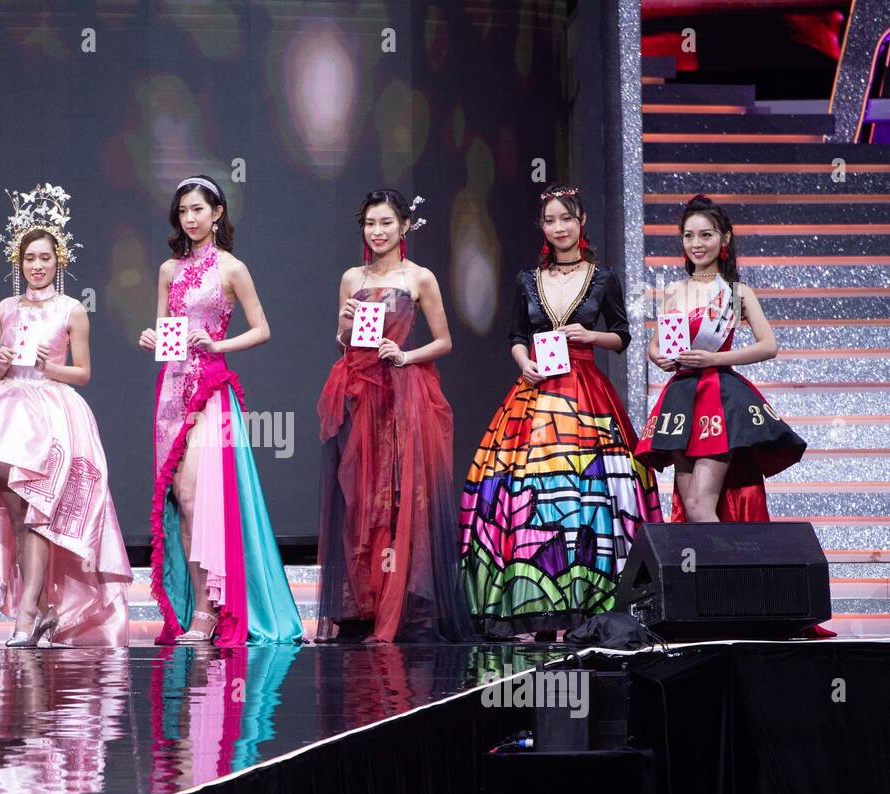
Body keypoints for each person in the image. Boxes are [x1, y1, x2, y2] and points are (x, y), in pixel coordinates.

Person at [461, 184, 661, 640]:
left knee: (587, 491)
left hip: (586, 392)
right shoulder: (526, 279)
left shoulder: (603, 277)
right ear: (543, 227)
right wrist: (524, 364)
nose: (558, 228)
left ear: (581, 221)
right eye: (550, 221)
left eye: (565, 219)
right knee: (533, 492)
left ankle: (593, 607)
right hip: (536, 393)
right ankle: (536, 610)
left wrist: (592, 338)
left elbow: (623, 335)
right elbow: (515, 334)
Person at [0, 184, 131, 647]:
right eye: (30, 258)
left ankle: (28, 611)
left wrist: (55, 368)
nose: (37, 265)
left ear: (59, 260)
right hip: (9, 411)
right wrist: (3, 361)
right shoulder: (6, 306)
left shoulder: (72, 309)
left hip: (52, 410)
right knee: (16, 509)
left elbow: (84, 373)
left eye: (45, 257)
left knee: (39, 512)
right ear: (19, 261)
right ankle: (43, 608)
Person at [138, 175, 302, 646]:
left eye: (198, 209)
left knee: (199, 499)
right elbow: (165, 329)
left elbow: (263, 328)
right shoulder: (169, 270)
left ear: (218, 214)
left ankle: (210, 613)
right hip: (170, 390)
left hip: (210, 388)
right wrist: (152, 337)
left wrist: (217, 343)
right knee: (183, 505)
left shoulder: (232, 268)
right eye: (183, 211)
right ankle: (197, 606)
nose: (190, 218)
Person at [316, 188, 475, 642]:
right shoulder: (352, 277)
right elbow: (343, 341)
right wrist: (345, 323)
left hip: (404, 392)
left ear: (404, 226)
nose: (377, 231)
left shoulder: (420, 277)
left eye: (386, 222)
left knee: (404, 496)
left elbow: (444, 341)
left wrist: (405, 356)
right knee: (362, 499)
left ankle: (405, 600)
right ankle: (367, 600)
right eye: (370, 223)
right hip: (360, 394)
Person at [635, 194, 807, 522]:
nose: (696, 244)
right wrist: (660, 359)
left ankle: (730, 573)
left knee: (700, 505)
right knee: (689, 507)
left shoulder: (736, 293)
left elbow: (768, 345)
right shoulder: (673, 290)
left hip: (718, 397)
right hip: (681, 398)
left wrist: (713, 359)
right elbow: (655, 346)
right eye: (688, 236)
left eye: (705, 235)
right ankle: (707, 573)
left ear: (724, 238)